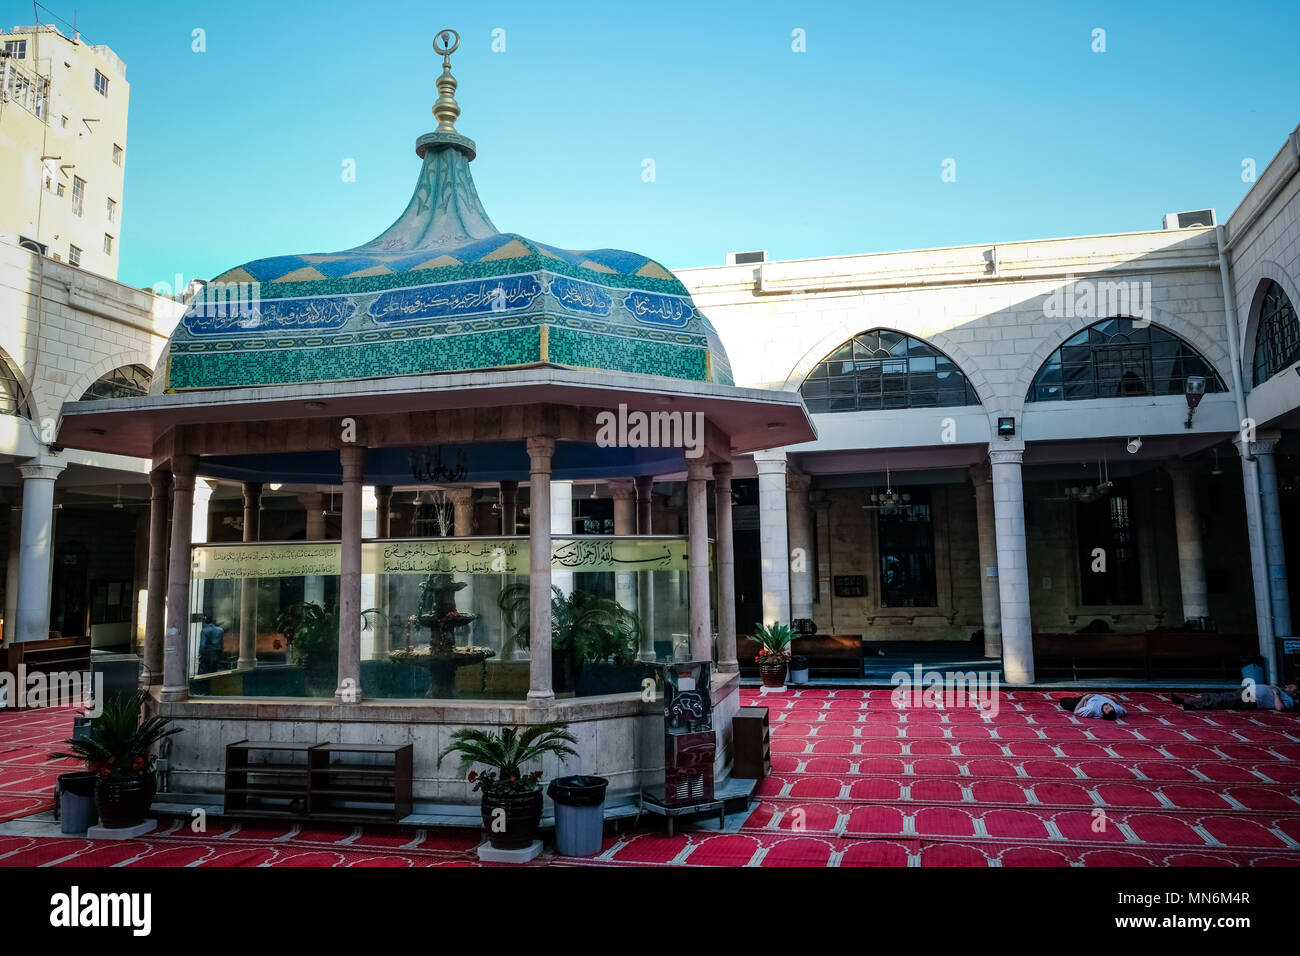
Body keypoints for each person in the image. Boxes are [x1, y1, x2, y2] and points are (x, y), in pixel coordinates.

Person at [1174, 683, 1298, 712]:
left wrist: (1276, 693)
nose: (1287, 686)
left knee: (1221, 701)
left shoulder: (1289, 700)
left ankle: (1191, 705)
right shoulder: (1282, 691)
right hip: (1246, 691)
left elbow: (1280, 708)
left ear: (1295, 693)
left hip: (1251, 699)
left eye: (1290, 687)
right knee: (1218, 696)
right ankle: (1185, 701)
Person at [1059, 692, 1126, 720]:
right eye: (1111, 707)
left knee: (1064, 701)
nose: (1108, 705)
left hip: (1085, 701)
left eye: (1106, 708)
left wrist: (1084, 699)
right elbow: (1124, 710)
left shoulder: (1091, 710)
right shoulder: (1117, 710)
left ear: (1103, 713)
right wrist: (1114, 699)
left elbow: (1076, 711)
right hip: (1095, 696)